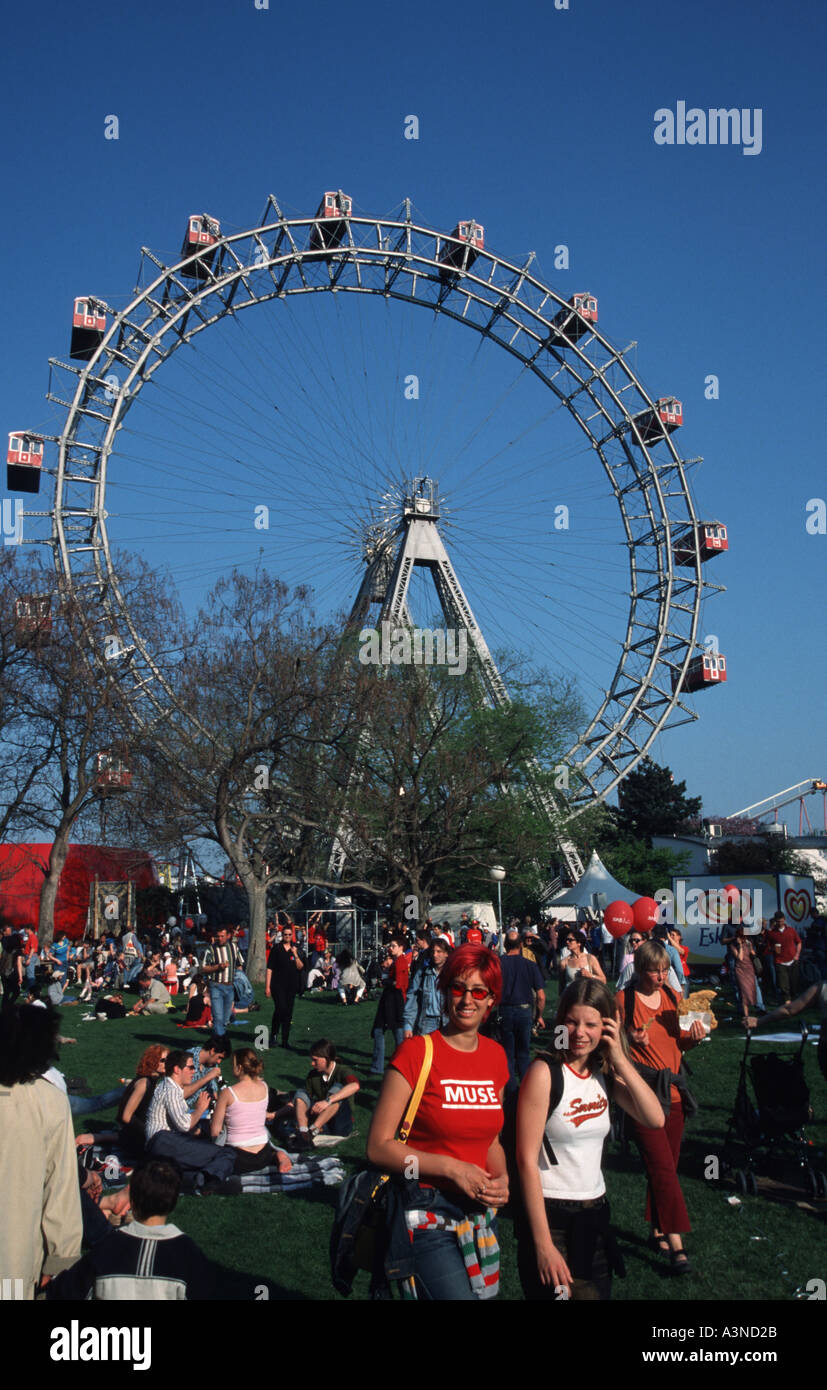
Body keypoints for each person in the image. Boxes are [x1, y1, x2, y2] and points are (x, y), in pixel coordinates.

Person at [366, 944, 510, 1300]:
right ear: (444, 991)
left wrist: (502, 1178)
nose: (467, 1000)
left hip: (477, 1211)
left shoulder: (496, 1057)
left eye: (479, 991)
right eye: (458, 988)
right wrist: (451, 1168)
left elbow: (491, 1140)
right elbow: (378, 1146)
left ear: (491, 1000)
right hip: (425, 1209)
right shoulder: (416, 1052)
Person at [516, 977, 664, 1300]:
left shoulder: (604, 1075)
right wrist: (543, 1244)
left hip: (595, 1216)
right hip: (552, 1219)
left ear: (607, 1026)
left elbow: (655, 1118)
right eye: (571, 1021)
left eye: (591, 1024)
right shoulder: (545, 1073)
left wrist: (620, 1058)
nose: (580, 1032)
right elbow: (526, 1160)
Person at [615, 939, 706, 1273]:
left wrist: (693, 1039)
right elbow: (610, 1045)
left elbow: (680, 1045)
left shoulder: (673, 998)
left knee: (666, 1165)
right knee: (663, 1169)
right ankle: (677, 1247)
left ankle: (656, 1230)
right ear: (639, 970)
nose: (661, 976)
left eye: (665, 970)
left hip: (675, 1094)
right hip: (642, 1096)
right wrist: (628, 1036)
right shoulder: (623, 999)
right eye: (654, 971)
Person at [0, 1005, 82, 1298]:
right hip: (11, 1264)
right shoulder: (49, 1102)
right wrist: (61, 1256)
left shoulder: (47, 1100)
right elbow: (60, 1188)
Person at [47, 1158, 214, 1300]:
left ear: (131, 1199)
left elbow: (64, 1291)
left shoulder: (105, 1249)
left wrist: (51, 1279)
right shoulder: (188, 1252)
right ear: (173, 1202)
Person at [145, 1050, 236, 1185]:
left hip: (162, 1143)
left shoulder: (170, 1087)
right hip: (162, 1142)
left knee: (206, 1147)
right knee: (227, 1153)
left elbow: (181, 1124)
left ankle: (197, 1179)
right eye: (191, 1067)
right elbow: (184, 1125)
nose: (194, 1071)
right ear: (177, 1069)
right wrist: (200, 1109)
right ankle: (212, 1180)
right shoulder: (170, 1091)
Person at [210, 1048, 292, 1173]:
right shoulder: (264, 1087)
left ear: (239, 1067)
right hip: (263, 1154)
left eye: (233, 1064)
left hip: (238, 1158)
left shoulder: (228, 1093)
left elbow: (215, 1132)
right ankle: (276, 1155)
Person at [498, 927, 546, 1093]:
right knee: (524, 1054)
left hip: (504, 1011)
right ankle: (527, 1092)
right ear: (520, 945)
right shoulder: (530, 965)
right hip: (525, 1011)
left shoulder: (498, 963)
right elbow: (541, 996)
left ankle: (511, 1093)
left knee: (508, 1055)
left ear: (505, 945)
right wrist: (539, 1016)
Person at [291, 1039, 360, 1148]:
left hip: (340, 1123)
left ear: (326, 1058)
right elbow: (302, 1100)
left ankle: (312, 1131)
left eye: (315, 1060)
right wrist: (274, 1114)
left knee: (338, 1088)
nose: (312, 1063)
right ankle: (304, 1133)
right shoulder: (313, 1075)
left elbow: (355, 1085)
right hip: (323, 1121)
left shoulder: (343, 1071)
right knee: (301, 1093)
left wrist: (328, 1101)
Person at [265, 922, 305, 1049]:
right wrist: (267, 987)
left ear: (292, 935)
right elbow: (269, 968)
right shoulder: (276, 949)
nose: (287, 936)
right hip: (277, 985)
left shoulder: (296, 948)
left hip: (291, 986)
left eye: (289, 934)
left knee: (288, 1012)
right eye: (285, 934)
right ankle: (274, 1035)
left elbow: (301, 967)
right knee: (280, 1008)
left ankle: (285, 1040)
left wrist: (295, 954)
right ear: (282, 935)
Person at [403, 935, 450, 1038]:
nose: (435, 955)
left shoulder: (453, 974)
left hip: (448, 1022)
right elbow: (412, 998)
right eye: (433, 951)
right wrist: (408, 1025)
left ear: (446, 954)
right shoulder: (423, 973)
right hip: (427, 1022)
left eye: (439, 951)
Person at [198, 926, 238, 1037]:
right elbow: (204, 968)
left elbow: (239, 964)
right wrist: (218, 967)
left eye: (222, 936)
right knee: (218, 1017)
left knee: (225, 1018)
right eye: (218, 936)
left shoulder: (234, 948)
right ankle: (219, 1043)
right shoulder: (211, 949)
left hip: (229, 987)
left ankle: (219, 1038)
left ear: (228, 936)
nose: (219, 939)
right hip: (216, 986)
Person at [766, 911, 802, 1002]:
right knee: (783, 984)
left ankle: (794, 999)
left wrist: (797, 955)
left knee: (794, 982)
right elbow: (768, 947)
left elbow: (799, 942)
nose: (780, 923)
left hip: (792, 960)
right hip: (780, 961)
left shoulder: (791, 930)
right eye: (778, 921)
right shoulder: (771, 933)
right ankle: (787, 1002)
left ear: (784, 920)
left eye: (781, 921)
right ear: (775, 921)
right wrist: (773, 949)